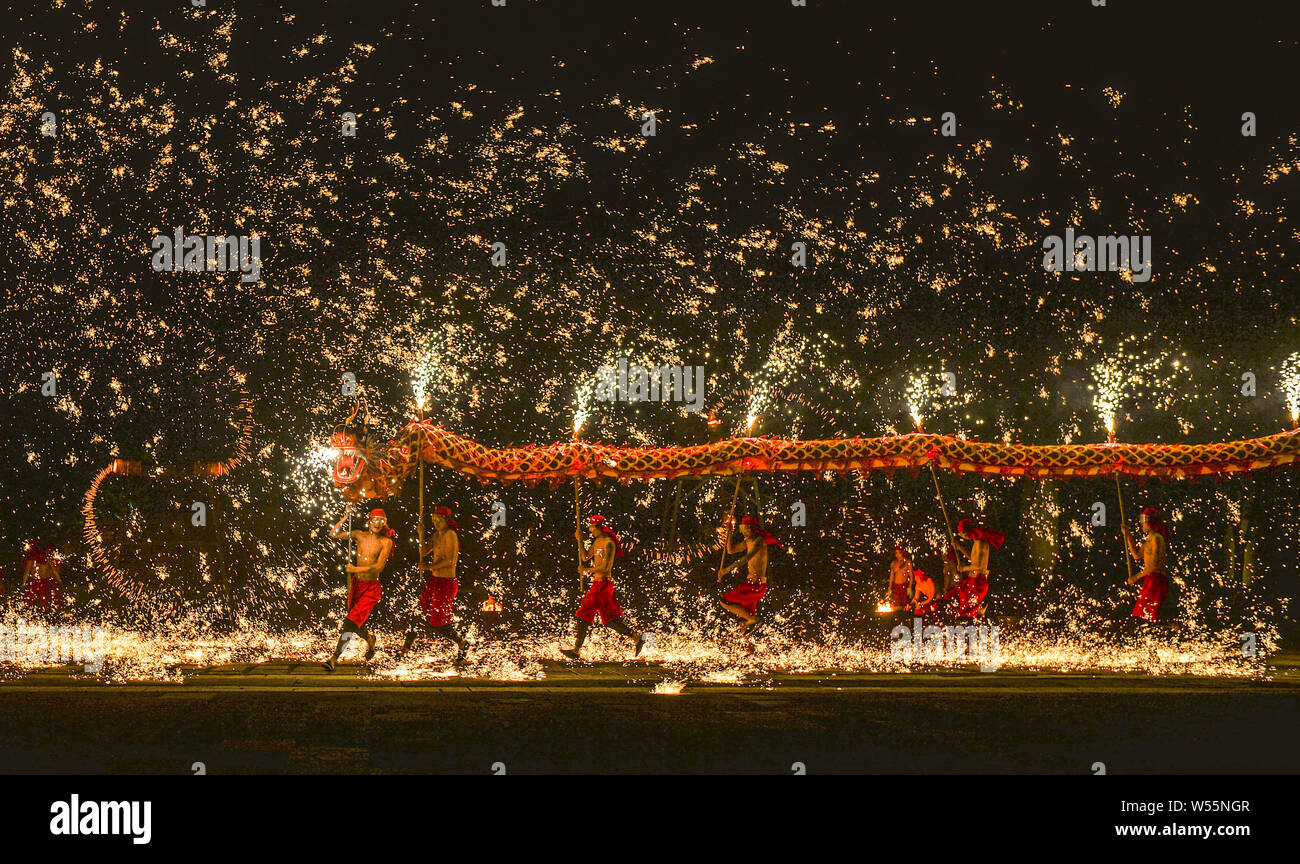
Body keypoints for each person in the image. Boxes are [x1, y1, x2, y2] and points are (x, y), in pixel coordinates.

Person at [561, 515, 650, 660]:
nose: (590, 530)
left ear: (598, 527)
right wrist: (580, 541)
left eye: (591, 527)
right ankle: (637, 637)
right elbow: (584, 558)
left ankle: (576, 650)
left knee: (584, 613)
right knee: (610, 620)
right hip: (598, 584)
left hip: (603, 585)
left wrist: (587, 571)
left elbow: (604, 568)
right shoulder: (597, 541)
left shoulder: (609, 543)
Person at [323, 505, 395, 671]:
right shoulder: (359, 535)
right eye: (374, 520)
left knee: (349, 623)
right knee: (354, 622)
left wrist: (355, 569)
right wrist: (344, 517)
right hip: (357, 585)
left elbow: (378, 567)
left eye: (381, 521)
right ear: (369, 521)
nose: (377, 523)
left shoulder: (386, 541)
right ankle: (369, 638)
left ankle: (334, 658)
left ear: (385, 523)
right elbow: (333, 534)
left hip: (371, 588)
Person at [401, 505, 468, 663]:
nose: (436, 523)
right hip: (434, 581)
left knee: (438, 623)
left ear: (446, 520)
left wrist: (429, 567)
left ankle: (463, 643)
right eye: (434, 520)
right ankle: (405, 649)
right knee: (418, 614)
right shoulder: (437, 535)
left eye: (439, 520)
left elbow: (451, 561)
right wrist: (421, 534)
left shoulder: (450, 535)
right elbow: (423, 551)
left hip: (446, 583)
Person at [718, 515, 784, 635]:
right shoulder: (748, 541)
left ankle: (753, 619)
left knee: (724, 601)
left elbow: (746, 558)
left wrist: (726, 570)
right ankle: (749, 648)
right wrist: (729, 533)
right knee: (744, 620)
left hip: (755, 585)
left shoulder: (759, 540)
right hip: (752, 583)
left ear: (751, 529)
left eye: (745, 529)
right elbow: (731, 550)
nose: (743, 532)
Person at [934, 519, 1004, 619]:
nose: (961, 536)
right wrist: (960, 548)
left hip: (977, 582)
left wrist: (963, 568)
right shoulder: (978, 541)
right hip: (974, 580)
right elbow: (974, 559)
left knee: (964, 609)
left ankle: (972, 619)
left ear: (966, 533)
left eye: (961, 534)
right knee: (955, 598)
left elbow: (978, 566)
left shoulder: (980, 543)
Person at [1123, 506, 1170, 623]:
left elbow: (1153, 566)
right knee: (1143, 614)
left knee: (1150, 615)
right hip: (1149, 579)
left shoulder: (1157, 539)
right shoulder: (1149, 540)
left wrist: (1135, 577)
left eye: (1144, 522)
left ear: (1150, 522)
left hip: (1156, 580)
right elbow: (1136, 555)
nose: (1142, 524)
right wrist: (1127, 535)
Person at [886, 545, 912, 612]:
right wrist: (889, 588)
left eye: (898, 553)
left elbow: (911, 576)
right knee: (896, 607)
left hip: (904, 586)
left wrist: (909, 587)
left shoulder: (907, 562)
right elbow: (891, 576)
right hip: (896, 587)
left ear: (902, 553)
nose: (897, 555)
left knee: (907, 607)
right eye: (895, 553)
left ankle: (910, 621)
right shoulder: (893, 563)